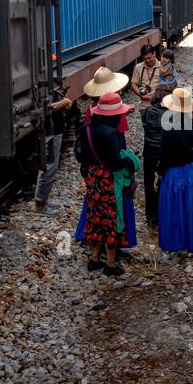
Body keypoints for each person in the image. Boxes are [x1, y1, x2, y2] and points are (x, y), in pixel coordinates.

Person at [73, 67, 137, 250]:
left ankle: (89, 235)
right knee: (115, 204)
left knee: (93, 203)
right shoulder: (113, 111)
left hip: (94, 165)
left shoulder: (92, 110)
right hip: (110, 165)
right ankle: (117, 241)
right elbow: (118, 143)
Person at [157, 88, 193, 254]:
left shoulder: (168, 128)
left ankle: (178, 243)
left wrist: (159, 173)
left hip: (174, 172)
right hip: (192, 170)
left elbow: (164, 154)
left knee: (175, 207)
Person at [33, 85, 74, 215]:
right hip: (51, 132)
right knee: (49, 167)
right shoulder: (44, 86)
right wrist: (65, 102)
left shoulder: (48, 85)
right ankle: (40, 205)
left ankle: (42, 201)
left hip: (55, 130)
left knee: (51, 167)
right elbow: (49, 107)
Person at [142, 82, 176, 230]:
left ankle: (151, 216)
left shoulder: (147, 112)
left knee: (149, 184)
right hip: (166, 153)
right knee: (166, 183)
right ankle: (166, 215)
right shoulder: (173, 115)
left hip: (150, 152)